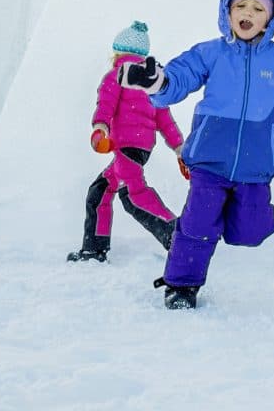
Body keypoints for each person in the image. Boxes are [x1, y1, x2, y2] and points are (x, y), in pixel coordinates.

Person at [119, 0, 274, 309]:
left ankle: (220, 223)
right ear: (227, 12)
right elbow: (178, 79)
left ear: (271, 18)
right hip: (210, 159)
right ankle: (181, 285)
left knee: (250, 231)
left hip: (256, 164)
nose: (248, 13)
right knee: (199, 223)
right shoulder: (209, 53)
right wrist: (157, 81)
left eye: (258, 8)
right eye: (240, 5)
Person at [67, 21, 186, 262]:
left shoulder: (116, 76)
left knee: (133, 196)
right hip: (141, 149)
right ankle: (94, 248)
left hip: (125, 146)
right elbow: (165, 119)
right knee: (100, 191)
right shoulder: (152, 81)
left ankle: (176, 236)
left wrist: (100, 128)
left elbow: (106, 105)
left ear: (118, 53)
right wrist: (179, 148)